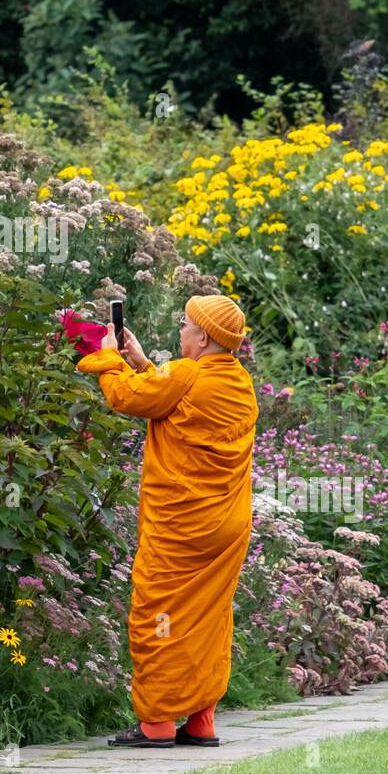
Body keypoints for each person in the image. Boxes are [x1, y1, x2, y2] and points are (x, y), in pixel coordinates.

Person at [76, 293, 259, 747]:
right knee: (209, 618)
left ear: (201, 337)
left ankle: (156, 723)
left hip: (182, 525)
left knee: (158, 612)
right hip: (228, 526)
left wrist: (110, 356)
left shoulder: (185, 374)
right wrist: (141, 361)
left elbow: (126, 397)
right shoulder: (239, 384)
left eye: (185, 324)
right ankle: (201, 721)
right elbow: (170, 395)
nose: (179, 330)